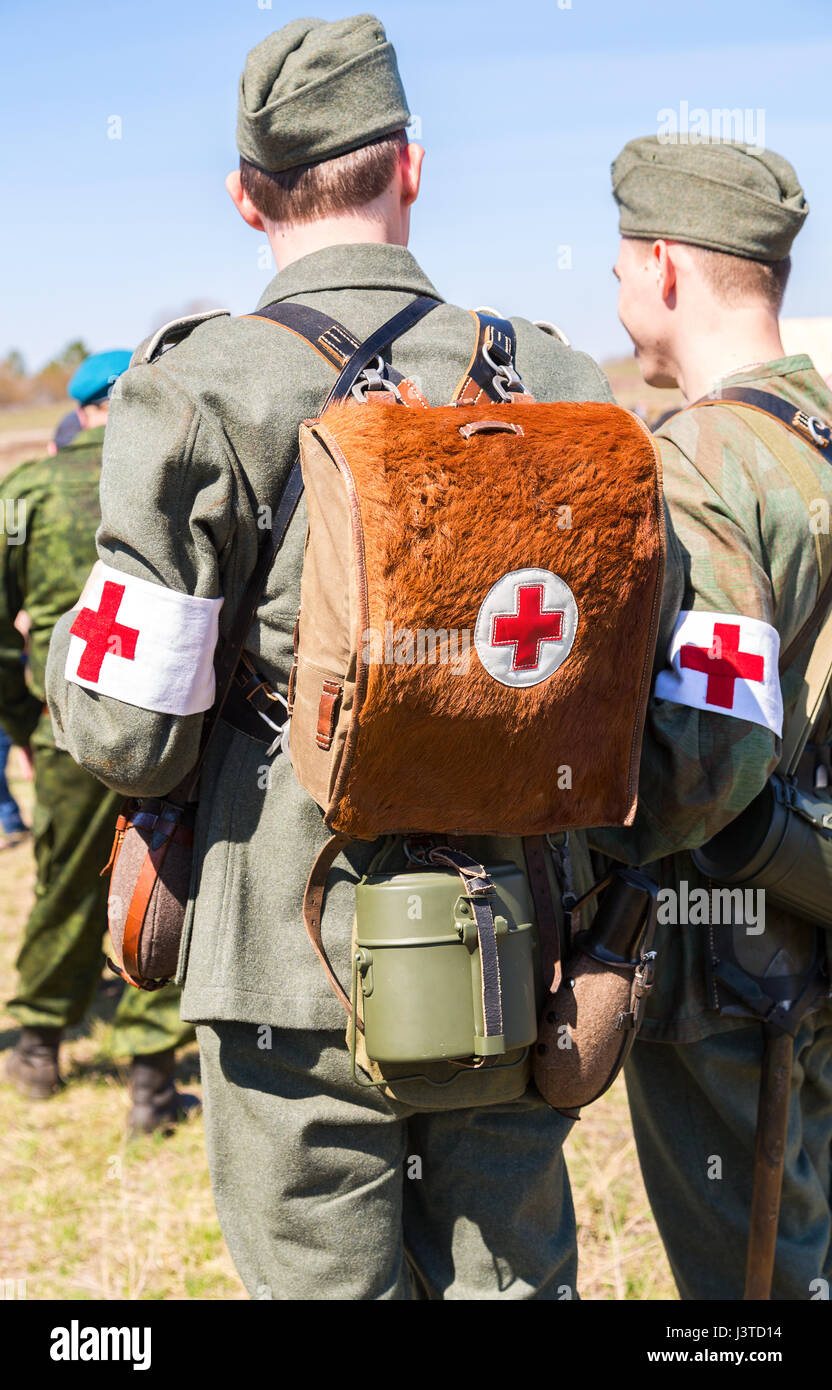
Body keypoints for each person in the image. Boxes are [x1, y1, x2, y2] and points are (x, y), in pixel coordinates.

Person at [44, 15, 626, 1299]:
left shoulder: (198, 389)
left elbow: (128, 732)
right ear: (409, 166)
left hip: (280, 969)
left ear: (247, 197)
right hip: (514, 950)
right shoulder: (560, 376)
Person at [595, 136, 832, 1299]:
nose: (620, 293)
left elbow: (711, 758)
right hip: (811, 916)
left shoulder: (693, 461)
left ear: (666, 269)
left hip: (731, 968)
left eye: (622, 267)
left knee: (756, 1292)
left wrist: (592, 855)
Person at [3, 350, 197, 1135]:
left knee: (67, 884)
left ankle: (39, 1046)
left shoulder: (28, 490)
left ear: (81, 410)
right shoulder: (174, 481)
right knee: (172, 874)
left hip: (67, 728)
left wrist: (25, 718)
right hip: (172, 727)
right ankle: (152, 1078)